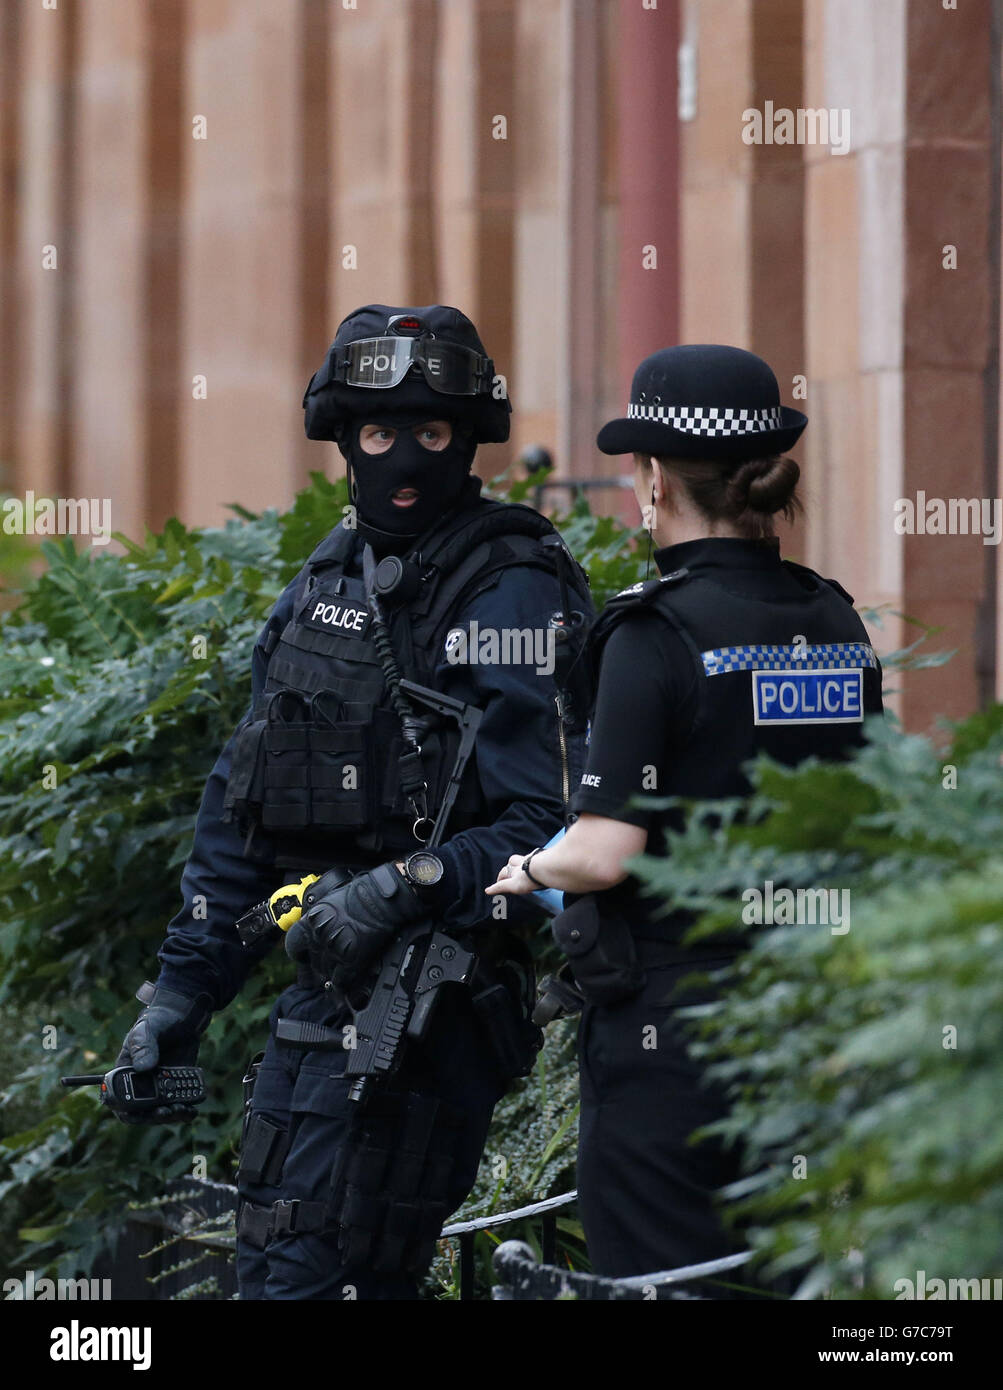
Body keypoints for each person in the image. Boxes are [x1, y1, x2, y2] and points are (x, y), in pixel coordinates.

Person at [116, 303, 593, 1300]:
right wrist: (176, 1000)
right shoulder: (323, 582)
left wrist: (407, 884)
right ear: (343, 438)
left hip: (434, 1004)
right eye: (379, 434)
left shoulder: (510, 586)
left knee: (326, 1280)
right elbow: (240, 816)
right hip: (318, 997)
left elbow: (547, 828)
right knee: (274, 1263)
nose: (405, 461)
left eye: (433, 434)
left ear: (469, 440)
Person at [487, 343, 884, 1292]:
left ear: (653, 478)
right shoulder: (834, 622)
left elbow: (604, 852)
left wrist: (529, 872)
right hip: (813, 1025)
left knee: (670, 1285)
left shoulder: (651, 632)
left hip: (676, 1042)